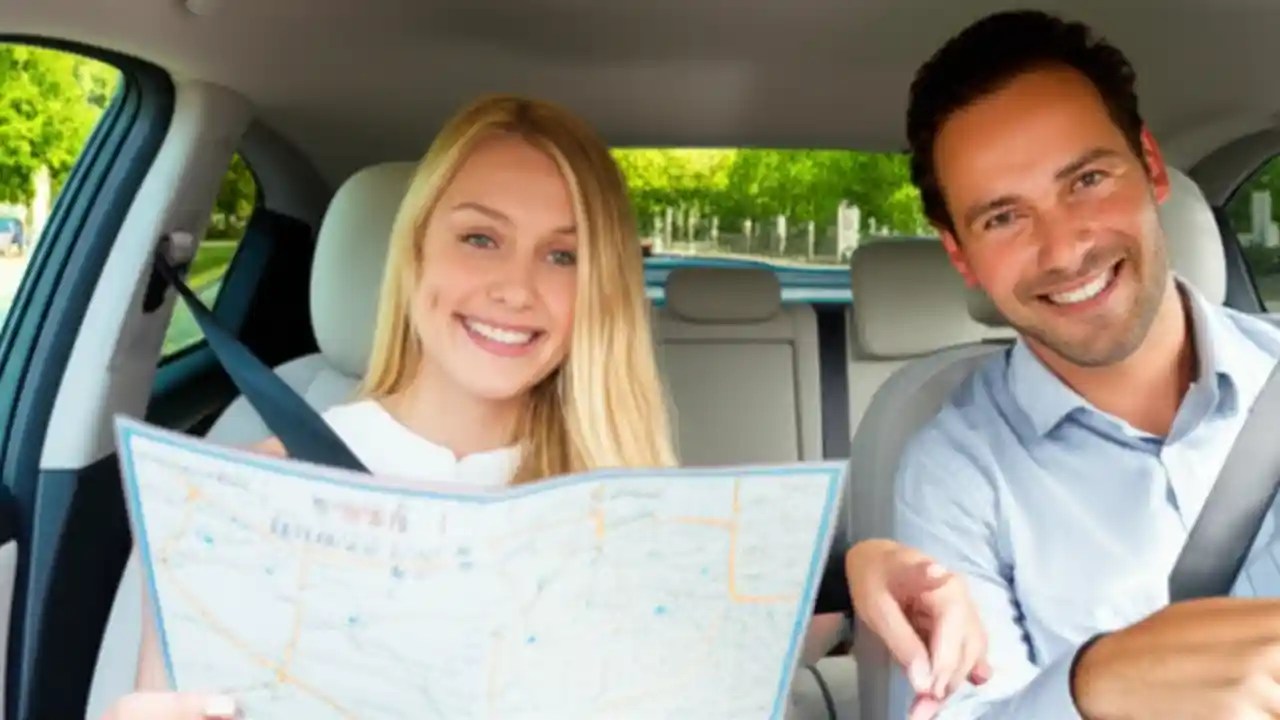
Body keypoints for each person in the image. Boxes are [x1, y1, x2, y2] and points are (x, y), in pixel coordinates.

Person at [103, 94, 989, 719]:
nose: (516, 288)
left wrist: (867, 564)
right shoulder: (242, 505)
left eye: (563, 256)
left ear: (597, 289)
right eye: (481, 237)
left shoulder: (640, 511)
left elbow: (765, 643)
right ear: (415, 253)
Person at [893, 9, 1280, 719]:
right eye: (1003, 218)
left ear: (1152, 167)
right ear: (960, 255)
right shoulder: (953, 472)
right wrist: (1090, 686)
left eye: (1087, 180)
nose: (1065, 250)